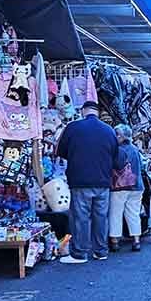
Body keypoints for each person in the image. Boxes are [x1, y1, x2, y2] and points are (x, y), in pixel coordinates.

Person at [56, 101, 118, 264]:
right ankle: (100, 251)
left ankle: (79, 253)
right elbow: (116, 157)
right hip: (103, 181)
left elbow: (61, 151)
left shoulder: (73, 127)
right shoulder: (109, 130)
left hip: (80, 180)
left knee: (80, 217)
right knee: (101, 217)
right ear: (97, 112)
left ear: (83, 111)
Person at [108, 124, 144, 253]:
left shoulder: (117, 150)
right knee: (133, 213)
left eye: (117, 134)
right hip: (137, 186)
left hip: (119, 186)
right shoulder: (135, 149)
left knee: (115, 213)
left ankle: (115, 241)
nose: (115, 137)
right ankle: (136, 240)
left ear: (122, 136)